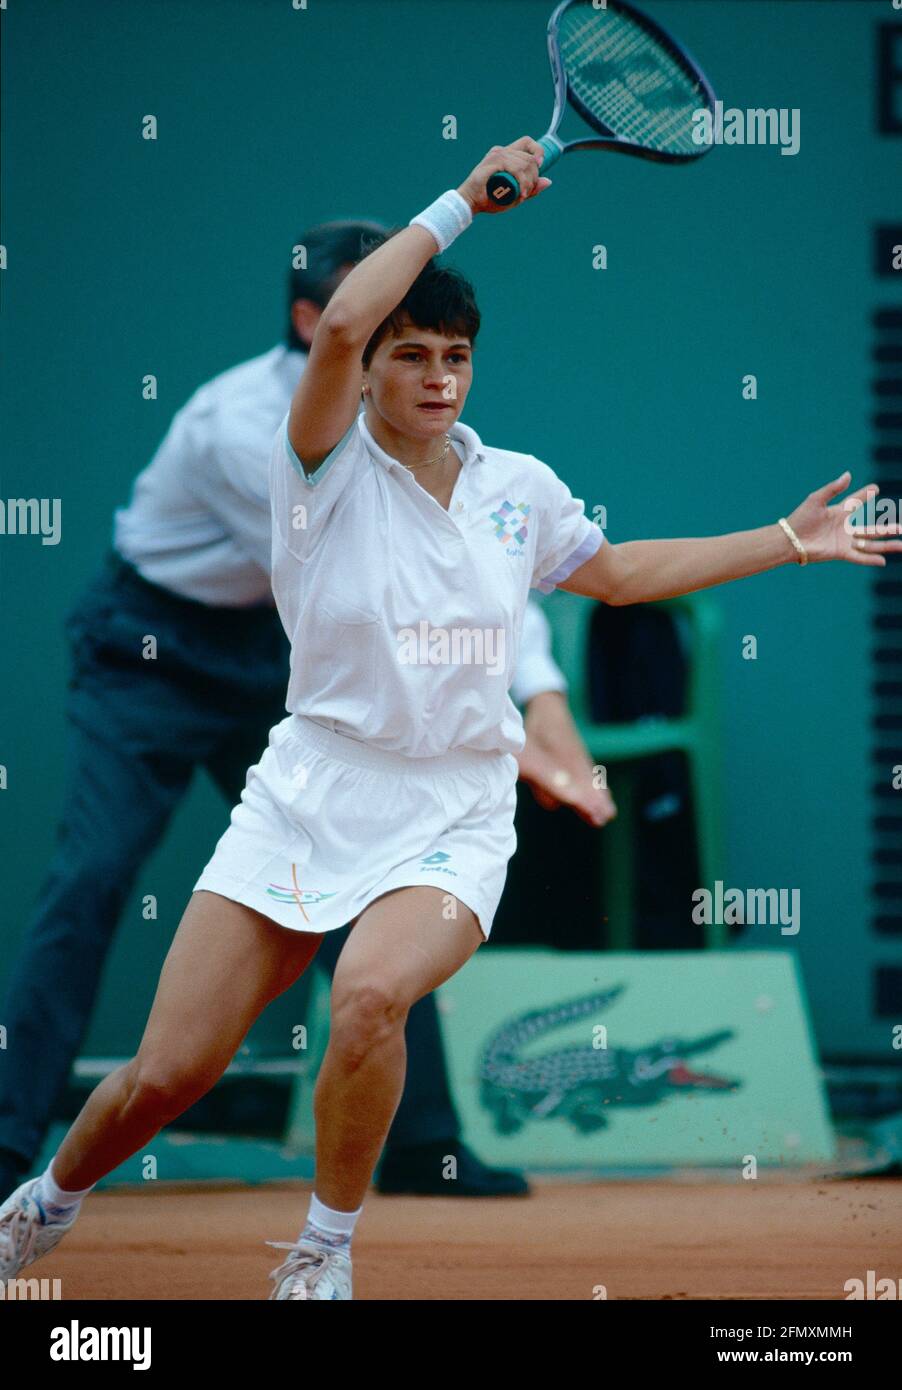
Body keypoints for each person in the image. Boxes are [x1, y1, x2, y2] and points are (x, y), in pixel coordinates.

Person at [4, 136, 886, 1302]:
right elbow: (331, 329)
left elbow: (616, 574)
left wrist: (782, 540)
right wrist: (464, 203)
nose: (435, 376)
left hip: (453, 807)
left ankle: (322, 1250)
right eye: (409, 354)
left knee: (370, 994)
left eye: (455, 357)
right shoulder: (311, 465)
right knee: (167, 1074)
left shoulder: (515, 487)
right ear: (363, 369)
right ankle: (44, 1201)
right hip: (306, 790)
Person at [0, 220, 614, 1211]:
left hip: (281, 655)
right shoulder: (244, 427)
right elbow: (402, 583)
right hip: (150, 653)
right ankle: (12, 1147)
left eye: (441, 339)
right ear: (321, 319)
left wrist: (543, 708)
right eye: (381, 312)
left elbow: (466, 579)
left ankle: (418, 1145)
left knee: (380, 886)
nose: (417, 348)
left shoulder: (453, 458)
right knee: (93, 876)